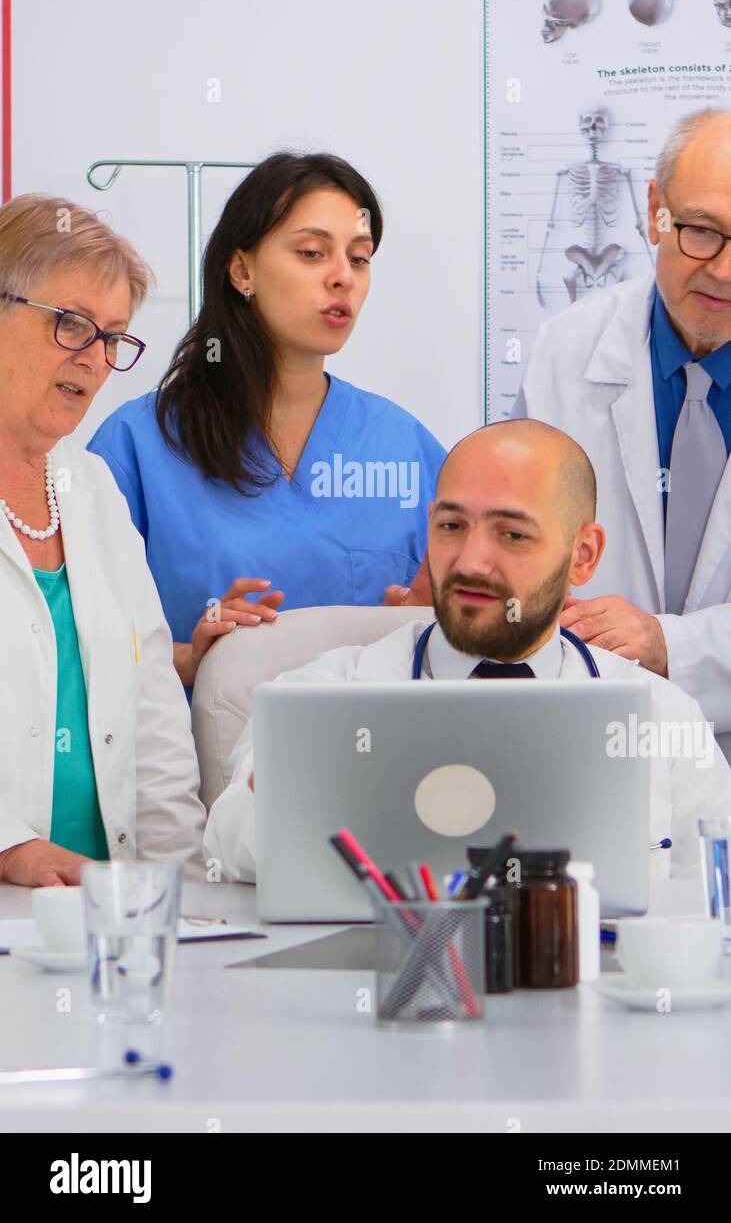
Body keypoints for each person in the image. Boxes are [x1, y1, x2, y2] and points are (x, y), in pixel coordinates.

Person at [204, 421, 731, 882]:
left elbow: (713, 913)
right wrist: (291, 804)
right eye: (452, 526)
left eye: (512, 534)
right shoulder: (321, 697)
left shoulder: (663, 719)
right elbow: (226, 844)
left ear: (583, 556)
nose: (472, 561)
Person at [88, 153, 445, 690]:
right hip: (196, 765)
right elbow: (74, 641)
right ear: (242, 270)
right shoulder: (140, 446)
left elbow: (489, 613)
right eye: (311, 252)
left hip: (368, 759)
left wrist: (438, 623)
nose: (343, 278)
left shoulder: (403, 447)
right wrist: (189, 656)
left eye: (360, 258)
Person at [512, 108, 731, 761]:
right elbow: (521, 553)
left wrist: (673, 647)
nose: (722, 271)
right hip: (591, 745)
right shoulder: (565, 350)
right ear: (653, 209)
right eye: (700, 232)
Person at [0, 195, 206, 887]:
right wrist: (9, 847)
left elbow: (153, 716)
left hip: (102, 913)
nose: (94, 358)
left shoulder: (94, 490)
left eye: (112, 337)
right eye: (71, 325)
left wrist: (182, 891)